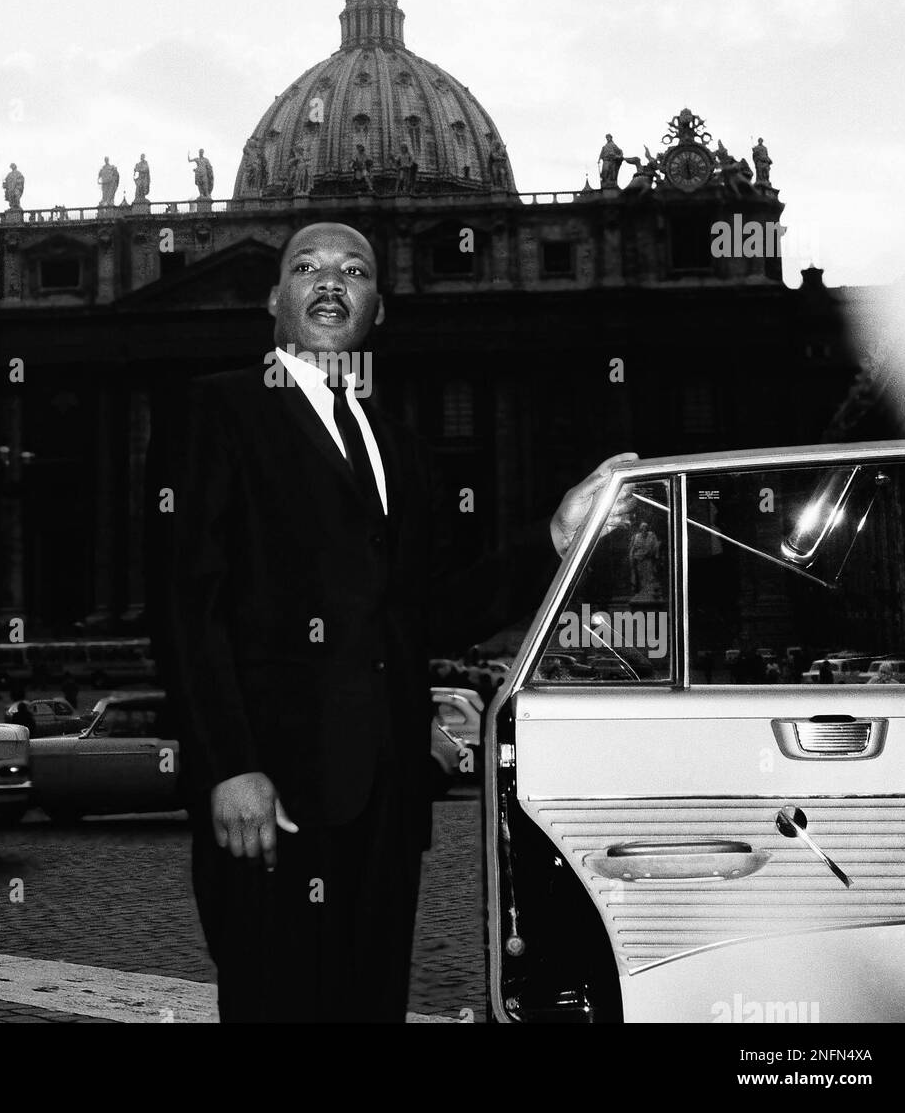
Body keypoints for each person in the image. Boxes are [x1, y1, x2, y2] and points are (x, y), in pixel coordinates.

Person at [159, 219, 633, 1023]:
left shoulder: (400, 447)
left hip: (384, 803)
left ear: (379, 307)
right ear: (274, 297)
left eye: (354, 269)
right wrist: (228, 766)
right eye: (305, 267)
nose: (330, 281)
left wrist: (555, 537)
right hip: (270, 796)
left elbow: (427, 613)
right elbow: (186, 606)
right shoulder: (214, 409)